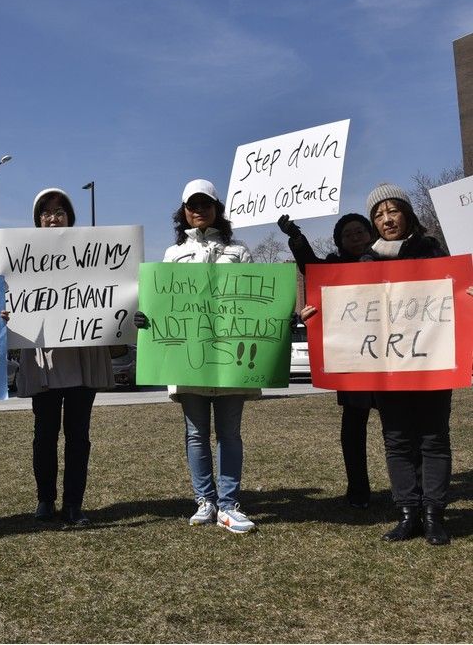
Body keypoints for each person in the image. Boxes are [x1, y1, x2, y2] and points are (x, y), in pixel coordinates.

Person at [303, 184, 452, 545]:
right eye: (379, 214)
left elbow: (452, 292)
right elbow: (346, 306)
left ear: (407, 213)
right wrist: (314, 315)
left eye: (392, 210)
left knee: (433, 439)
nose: (387, 219)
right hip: (386, 364)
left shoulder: (432, 250)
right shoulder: (366, 261)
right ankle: (407, 514)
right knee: (397, 440)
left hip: (430, 358)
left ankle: (433, 516)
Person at [136, 179, 258, 533]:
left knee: (230, 433)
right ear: (183, 212)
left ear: (217, 208)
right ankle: (205, 499)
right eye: (192, 205)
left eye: (205, 204)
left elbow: (251, 301)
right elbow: (162, 301)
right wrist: (147, 317)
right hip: (187, 357)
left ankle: (229, 503)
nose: (199, 210)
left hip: (229, 359)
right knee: (195, 433)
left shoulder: (239, 251)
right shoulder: (173, 255)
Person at [16, 188, 114, 525]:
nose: (53, 217)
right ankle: (45, 500)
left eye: (59, 211)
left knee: (78, 437)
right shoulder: (23, 258)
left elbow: (111, 292)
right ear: (37, 220)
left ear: (70, 217)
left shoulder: (91, 256)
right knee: (44, 435)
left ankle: (74, 504)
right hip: (45, 361)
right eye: (46, 212)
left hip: (82, 359)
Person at [277, 212, 376, 508]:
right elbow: (310, 267)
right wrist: (295, 236)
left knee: (397, 430)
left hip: (391, 355)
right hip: (353, 357)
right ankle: (358, 489)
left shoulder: (389, 260)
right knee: (353, 429)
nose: (355, 238)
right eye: (348, 234)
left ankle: (410, 491)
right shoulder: (333, 267)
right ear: (339, 241)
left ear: (369, 234)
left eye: (359, 232)